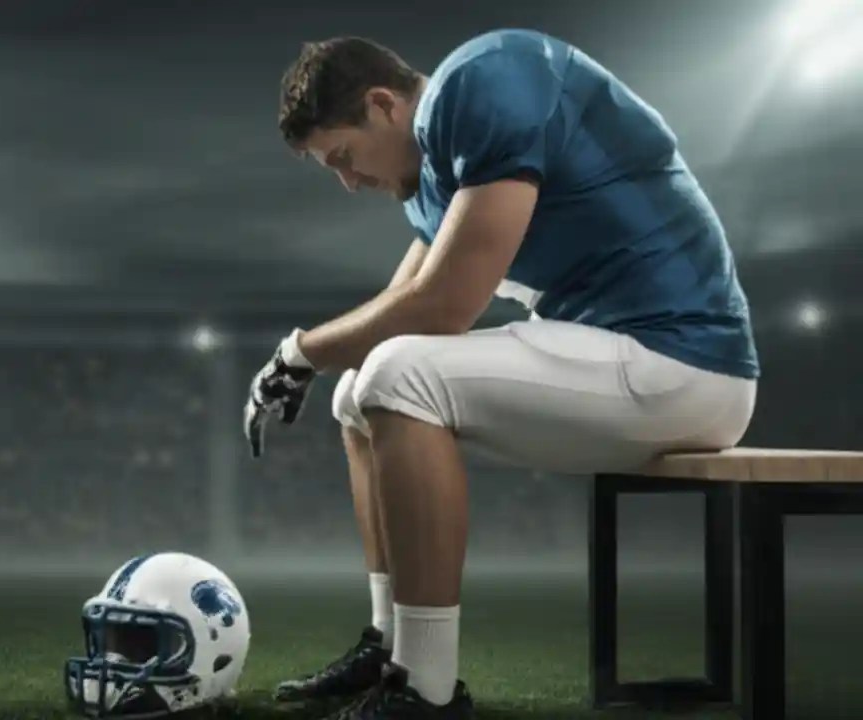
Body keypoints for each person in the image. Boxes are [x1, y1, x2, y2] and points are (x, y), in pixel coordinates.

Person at [243, 29, 759, 720]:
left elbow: (444, 308)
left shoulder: (483, 80)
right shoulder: (433, 174)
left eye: (343, 154)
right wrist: (312, 361)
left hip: (682, 357)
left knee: (398, 375)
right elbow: (403, 311)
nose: (347, 180)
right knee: (358, 394)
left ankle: (425, 691)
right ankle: (389, 643)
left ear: (383, 104)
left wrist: (296, 352)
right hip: (617, 350)